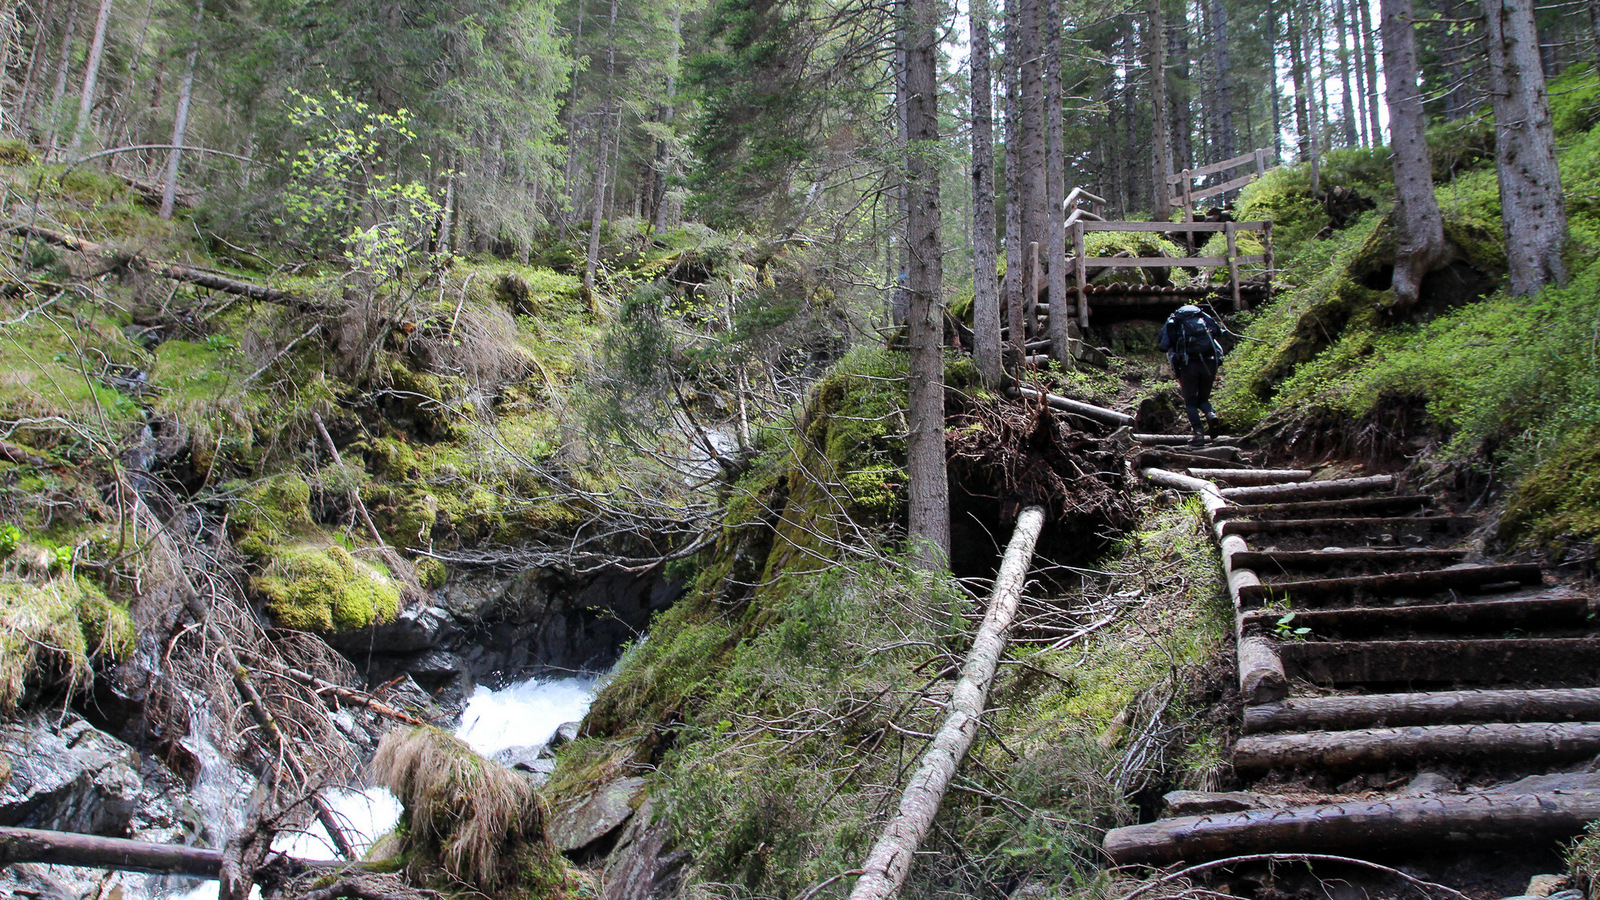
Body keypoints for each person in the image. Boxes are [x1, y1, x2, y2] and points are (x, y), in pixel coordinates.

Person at [1157, 304, 1226, 445]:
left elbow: (1171, 354)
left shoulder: (1175, 324)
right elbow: (1217, 348)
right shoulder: (1203, 322)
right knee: (1203, 400)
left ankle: (1199, 435)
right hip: (1209, 364)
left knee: (1190, 401)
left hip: (1189, 366)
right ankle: (1211, 414)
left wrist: (1177, 374)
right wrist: (1214, 369)